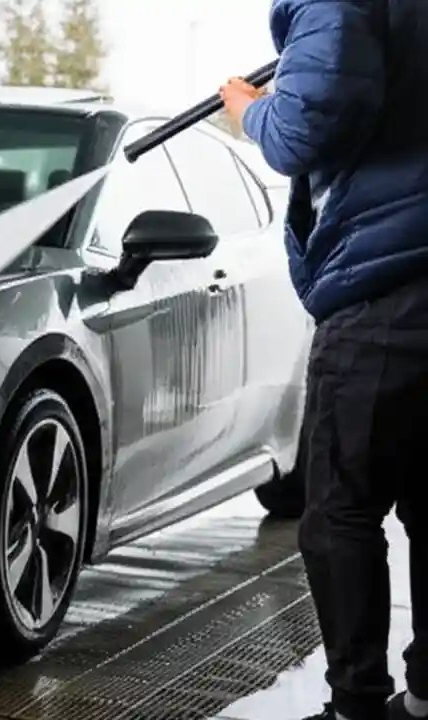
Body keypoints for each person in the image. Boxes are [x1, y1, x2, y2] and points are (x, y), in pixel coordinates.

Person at [220, 1, 428, 719]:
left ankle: (356, 707)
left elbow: (302, 131)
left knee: (338, 511)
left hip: (384, 290)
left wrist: (250, 113)